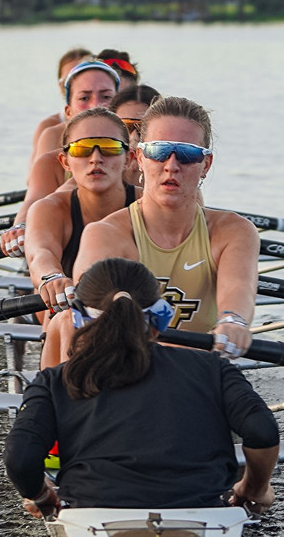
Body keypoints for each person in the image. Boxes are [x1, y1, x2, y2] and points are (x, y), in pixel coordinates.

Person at [5, 257, 279, 517]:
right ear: (161, 318)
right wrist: (253, 489)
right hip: (201, 508)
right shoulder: (212, 368)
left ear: (77, 320)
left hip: (92, 509)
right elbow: (262, 430)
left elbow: (20, 459)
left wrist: (42, 498)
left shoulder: (55, 379)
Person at [72, 96, 258, 360]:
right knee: (60, 326)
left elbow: (238, 288)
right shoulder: (105, 235)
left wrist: (233, 321)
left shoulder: (234, 232)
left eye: (187, 154)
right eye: (159, 151)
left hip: (195, 371)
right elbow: (88, 319)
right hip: (123, 368)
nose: (172, 165)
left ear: (206, 164)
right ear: (139, 157)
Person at [22, 108, 139, 367]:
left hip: (141, 330)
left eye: (109, 147)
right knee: (65, 321)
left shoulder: (149, 206)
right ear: (65, 161)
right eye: (82, 149)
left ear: (129, 157)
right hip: (70, 332)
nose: (95, 158)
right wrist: (51, 277)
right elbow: (40, 254)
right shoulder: (49, 209)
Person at [5, 59, 124, 251]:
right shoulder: (49, 160)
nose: (96, 106)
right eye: (84, 98)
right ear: (68, 111)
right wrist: (21, 226)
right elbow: (34, 199)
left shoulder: (134, 154)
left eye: (106, 97)